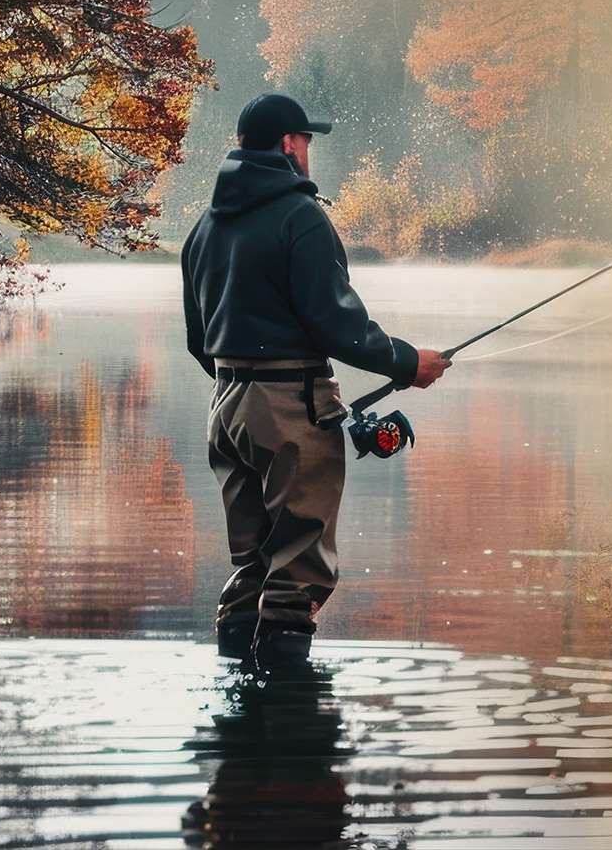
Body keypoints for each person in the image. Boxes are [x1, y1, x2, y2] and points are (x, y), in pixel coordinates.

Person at [181, 92, 451, 664]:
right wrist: (409, 364)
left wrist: (242, 384)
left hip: (224, 406)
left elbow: (196, 337)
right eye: (306, 139)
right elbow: (337, 325)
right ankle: (287, 708)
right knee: (297, 575)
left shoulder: (205, 226)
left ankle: (237, 695)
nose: (309, 150)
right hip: (289, 408)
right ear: (288, 143)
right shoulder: (300, 216)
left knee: (252, 564)